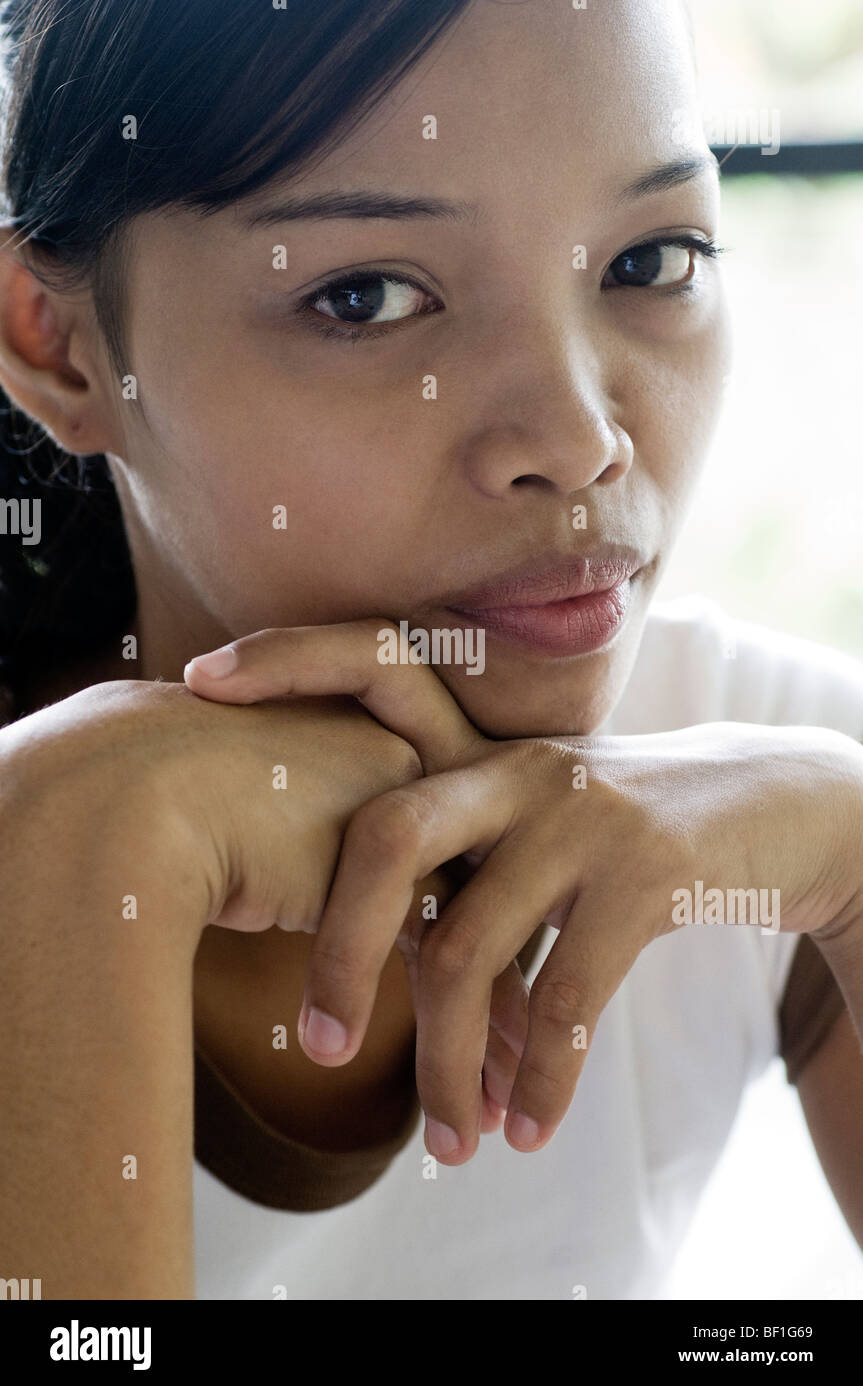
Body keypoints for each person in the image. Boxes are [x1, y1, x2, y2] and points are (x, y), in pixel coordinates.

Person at [0, 0, 861, 1301]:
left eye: (653, 262)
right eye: (368, 296)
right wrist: (65, 847)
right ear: (54, 344)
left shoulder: (766, 783)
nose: (577, 441)